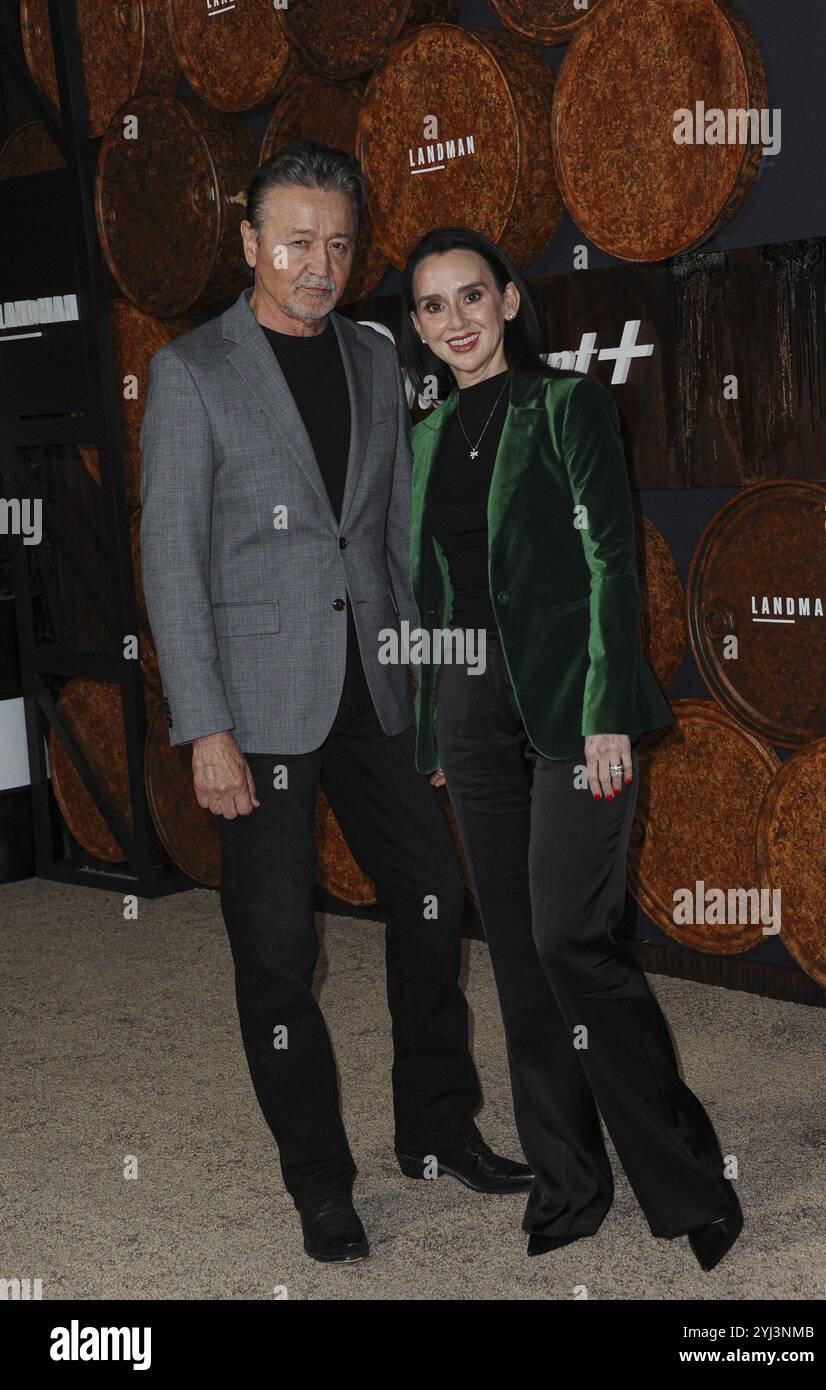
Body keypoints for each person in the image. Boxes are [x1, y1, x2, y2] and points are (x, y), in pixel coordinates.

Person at [139, 145, 532, 1266]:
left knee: (429, 895)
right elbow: (169, 561)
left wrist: (432, 690)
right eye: (298, 241)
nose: (322, 264)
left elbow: (399, 541)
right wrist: (203, 727)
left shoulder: (371, 354)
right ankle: (320, 1179)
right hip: (254, 712)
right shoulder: (191, 371)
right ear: (252, 244)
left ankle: (439, 1130)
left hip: (374, 687)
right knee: (275, 952)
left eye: (341, 244)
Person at [401, 225, 744, 1270]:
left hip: (572, 707)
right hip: (471, 712)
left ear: (508, 300)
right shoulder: (424, 440)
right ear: (416, 326)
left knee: (570, 942)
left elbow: (611, 565)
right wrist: (434, 729)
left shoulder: (568, 405)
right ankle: (568, 1179)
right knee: (513, 957)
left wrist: (605, 711)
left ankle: (684, 1169)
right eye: (431, 307)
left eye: (471, 297)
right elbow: (434, 592)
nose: (454, 321)